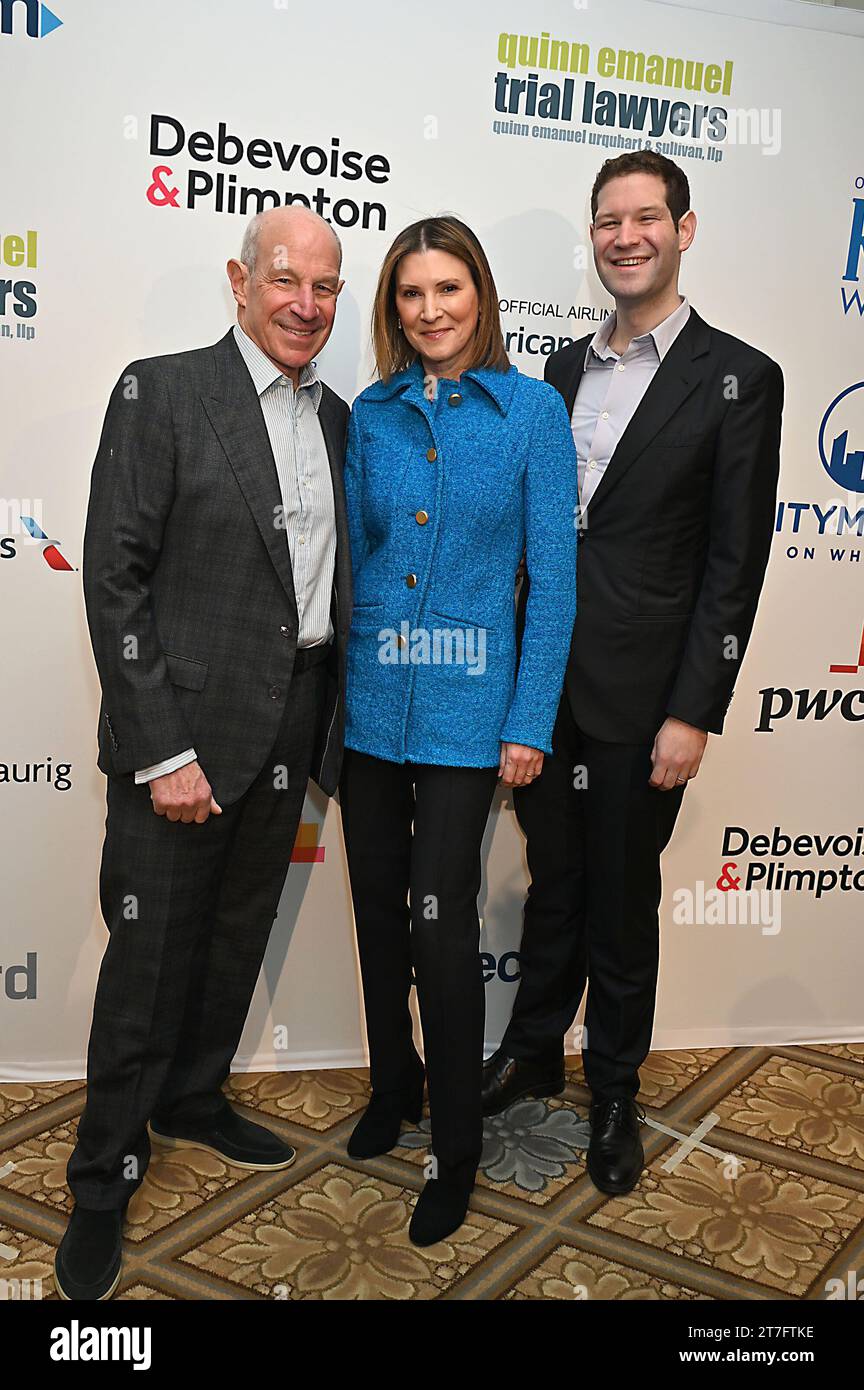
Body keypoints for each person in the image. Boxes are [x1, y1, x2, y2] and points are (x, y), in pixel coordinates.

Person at [56, 207, 352, 1300]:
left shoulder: (339, 423)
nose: (306, 305)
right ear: (239, 280)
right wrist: (160, 747)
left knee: (232, 942)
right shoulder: (163, 390)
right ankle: (99, 1180)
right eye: (286, 281)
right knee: (147, 964)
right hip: (178, 737)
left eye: (325, 288)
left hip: (288, 726)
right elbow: (114, 580)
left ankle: (191, 1097)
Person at [482, 152, 784, 1197]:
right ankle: (531, 1054)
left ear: (684, 229)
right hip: (544, 691)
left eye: (645, 217)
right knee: (551, 882)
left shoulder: (739, 375)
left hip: (645, 698)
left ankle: (613, 1090)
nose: (625, 236)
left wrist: (692, 710)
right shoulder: (556, 371)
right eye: (608, 220)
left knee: (618, 897)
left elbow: (733, 562)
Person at [338, 215, 578, 1247]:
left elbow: (554, 584)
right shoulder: (372, 416)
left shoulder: (530, 412)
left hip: (468, 721)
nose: (430, 310)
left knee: (441, 924)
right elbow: (348, 568)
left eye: (449, 289)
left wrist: (528, 720)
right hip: (370, 713)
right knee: (379, 918)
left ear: (481, 295)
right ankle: (394, 1086)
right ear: (393, 309)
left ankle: (456, 1145)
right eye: (409, 293)